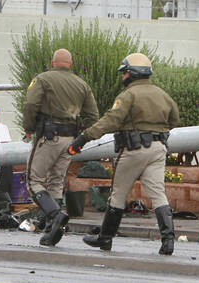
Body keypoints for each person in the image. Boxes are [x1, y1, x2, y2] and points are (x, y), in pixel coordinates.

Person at [69, 52, 180, 255]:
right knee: (158, 194)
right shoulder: (162, 94)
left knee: (118, 193)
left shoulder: (128, 95)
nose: (122, 77)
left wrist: (83, 138)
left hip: (133, 150)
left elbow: (110, 121)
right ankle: (168, 241)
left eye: (124, 73)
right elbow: (174, 120)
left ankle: (105, 238)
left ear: (133, 73)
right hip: (158, 149)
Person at [22, 48, 98, 246]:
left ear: (52, 62)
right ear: (70, 64)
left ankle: (55, 215)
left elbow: (30, 104)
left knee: (33, 181)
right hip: (70, 140)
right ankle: (51, 231)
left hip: (48, 137)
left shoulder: (43, 79)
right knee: (56, 181)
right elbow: (94, 117)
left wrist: (29, 128)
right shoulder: (82, 84)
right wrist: (81, 136)